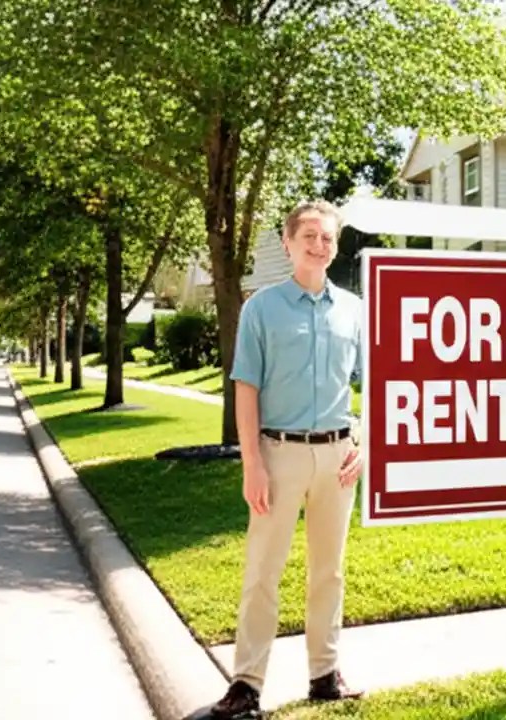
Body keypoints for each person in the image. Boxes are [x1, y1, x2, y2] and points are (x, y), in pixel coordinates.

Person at [210, 200, 365, 719]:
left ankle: (325, 674)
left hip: (339, 459)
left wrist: (361, 439)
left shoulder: (353, 309)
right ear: (289, 242)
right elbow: (245, 388)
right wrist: (251, 462)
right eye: (311, 237)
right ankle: (246, 684)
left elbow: (369, 382)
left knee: (329, 571)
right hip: (279, 456)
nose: (321, 246)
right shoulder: (262, 308)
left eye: (328, 238)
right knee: (262, 572)